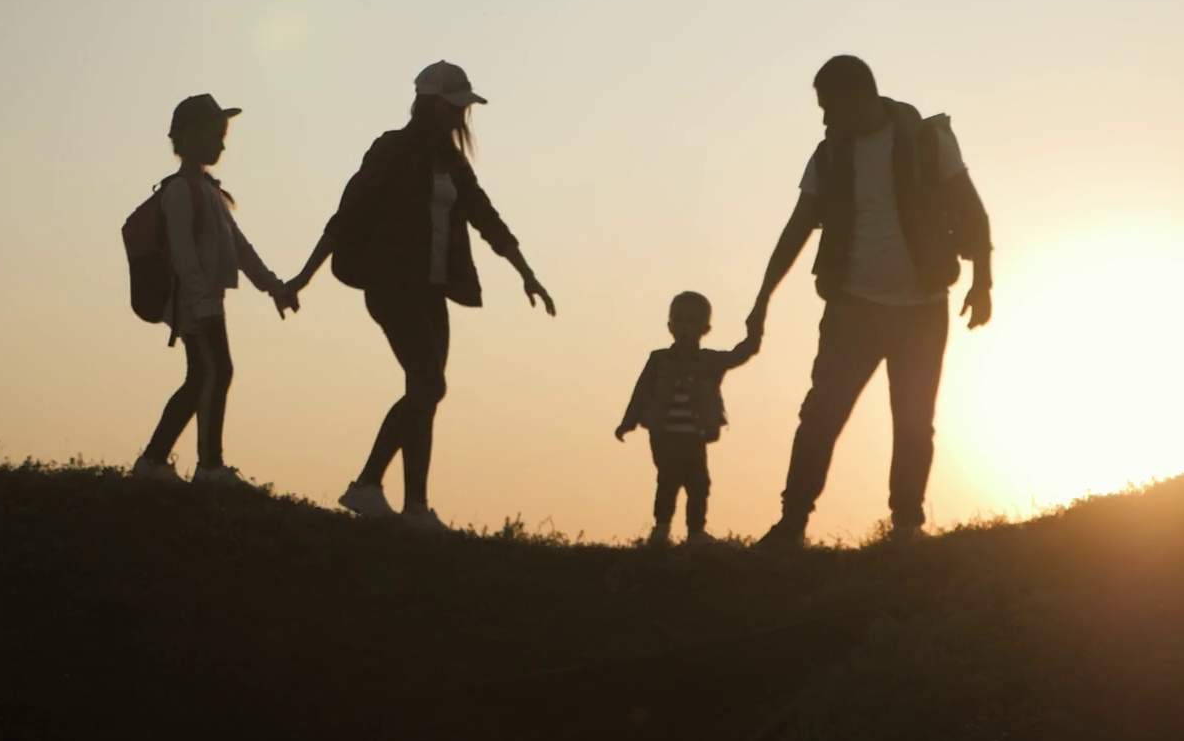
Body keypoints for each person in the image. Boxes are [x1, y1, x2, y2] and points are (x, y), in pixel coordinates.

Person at [289, 62, 555, 530]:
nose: (459, 117)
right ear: (430, 103)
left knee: (424, 394)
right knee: (430, 385)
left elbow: (485, 216)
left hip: (435, 290)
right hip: (392, 287)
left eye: (462, 109)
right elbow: (348, 214)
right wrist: (303, 277)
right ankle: (366, 485)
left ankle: (415, 506)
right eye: (452, 107)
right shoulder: (391, 149)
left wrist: (526, 273)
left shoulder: (453, 162)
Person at [746, 55, 994, 547]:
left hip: (922, 308)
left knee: (913, 419)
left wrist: (982, 281)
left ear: (860, 96)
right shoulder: (829, 156)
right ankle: (791, 526)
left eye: (829, 106)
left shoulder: (927, 142)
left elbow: (971, 207)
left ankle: (906, 528)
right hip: (852, 308)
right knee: (821, 416)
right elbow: (797, 227)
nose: (824, 118)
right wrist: (762, 299)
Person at [132, 94, 296, 487]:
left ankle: (156, 461)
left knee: (203, 375)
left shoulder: (210, 192)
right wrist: (201, 300)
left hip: (206, 301)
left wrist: (272, 286)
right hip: (195, 303)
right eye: (214, 136)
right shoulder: (182, 193)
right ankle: (208, 467)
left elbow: (239, 247)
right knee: (215, 371)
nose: (221, 145)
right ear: (189, 139)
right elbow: (183, 253)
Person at [615, 292, 760, 546]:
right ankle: (661, 528)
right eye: (679, 320)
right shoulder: (659, 360)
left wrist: (754, 335)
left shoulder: (710, 361)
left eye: (692, 322)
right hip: (664, 434)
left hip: (695, 434)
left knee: (699, 483)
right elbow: (642, 392)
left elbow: (738, 355)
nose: (685, 327)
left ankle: (696, 532)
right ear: (670, 326)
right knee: (668, 479)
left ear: (705, 329)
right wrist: (629, 421)